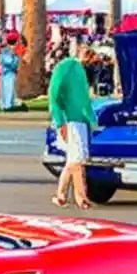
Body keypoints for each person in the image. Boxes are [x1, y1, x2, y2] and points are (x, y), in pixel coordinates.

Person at [49, 39, 98, 209]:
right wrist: (59, 121)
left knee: (73, 161)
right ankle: (81, 197)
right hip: (69, 121)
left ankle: (60, 194)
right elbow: (53, 95)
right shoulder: (67, 66)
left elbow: (85, 101)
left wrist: (92, 121)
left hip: (78, 122)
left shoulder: (80, 72)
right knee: (77, 163)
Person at [0, 35, 21, 111]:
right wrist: (14, 57)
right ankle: (7, 106)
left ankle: (8, 105)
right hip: (7, 73)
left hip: (9, 73)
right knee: (7, 89)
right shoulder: (5, 51)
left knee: (9, 90)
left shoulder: (5, 51)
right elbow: (9, 62)